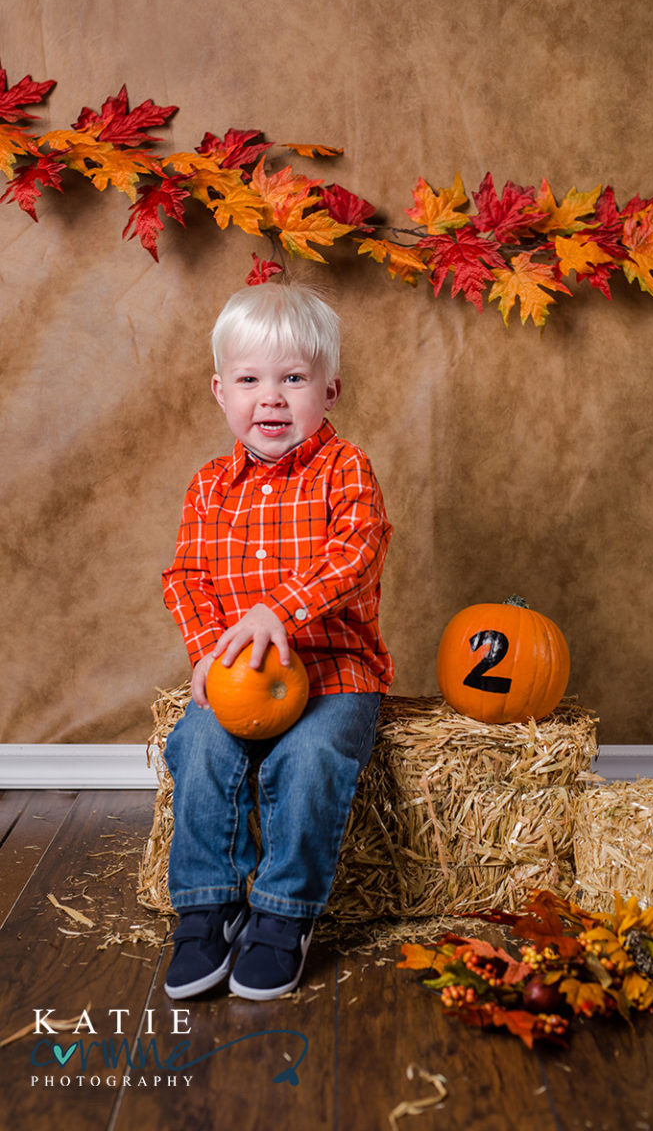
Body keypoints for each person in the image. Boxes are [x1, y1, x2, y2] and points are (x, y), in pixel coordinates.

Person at [161, 282, 393, 1001]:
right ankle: (208, 907)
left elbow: (359, 551)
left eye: (293, 379)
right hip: (238, 677)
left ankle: (283, 916)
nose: (271, 398)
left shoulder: (344, 470)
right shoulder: (209, 487)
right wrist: (207, 648)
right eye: (251, 380)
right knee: (198, 747)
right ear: (220, 392)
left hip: (333, 674)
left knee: (312, 755)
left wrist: (278, 611)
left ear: (330, 389)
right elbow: (186, 575)